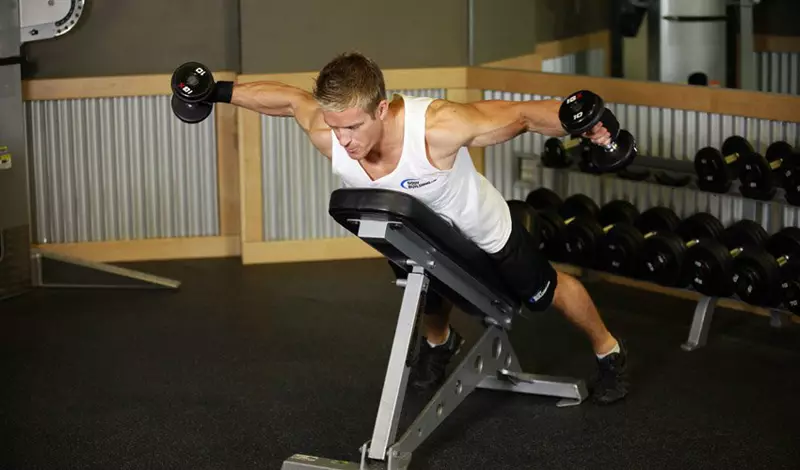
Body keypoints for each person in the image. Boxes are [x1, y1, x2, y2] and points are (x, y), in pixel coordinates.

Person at [202, 52, 628, 405]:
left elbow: (517, 116)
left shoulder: (436, 127)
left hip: (485, 230)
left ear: (382, 109)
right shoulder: (328, 130)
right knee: (421, 286)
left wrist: (582, 123)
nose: (344, 141)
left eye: (353, 126)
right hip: (417, 232)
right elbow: (290, 100)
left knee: (546, 292)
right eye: (336, 127)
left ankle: (609, 351)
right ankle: (440, 345)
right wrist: (216, 91)